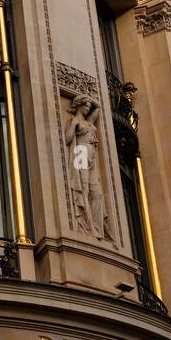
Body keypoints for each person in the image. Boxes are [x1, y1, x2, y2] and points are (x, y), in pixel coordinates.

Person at [64, 96, 107, 239]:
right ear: (79, 106)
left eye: (89, 106)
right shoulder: (74, 121)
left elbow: (99, 107)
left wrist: (87, 97)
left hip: (91, 160)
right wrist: (74, 124)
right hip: (80, 155)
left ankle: (97, 226)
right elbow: (68, 139)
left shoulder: (89, 122)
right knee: (84, 191)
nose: (88, 108)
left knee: (97, 194)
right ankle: (90, 228)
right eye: (85, 105)